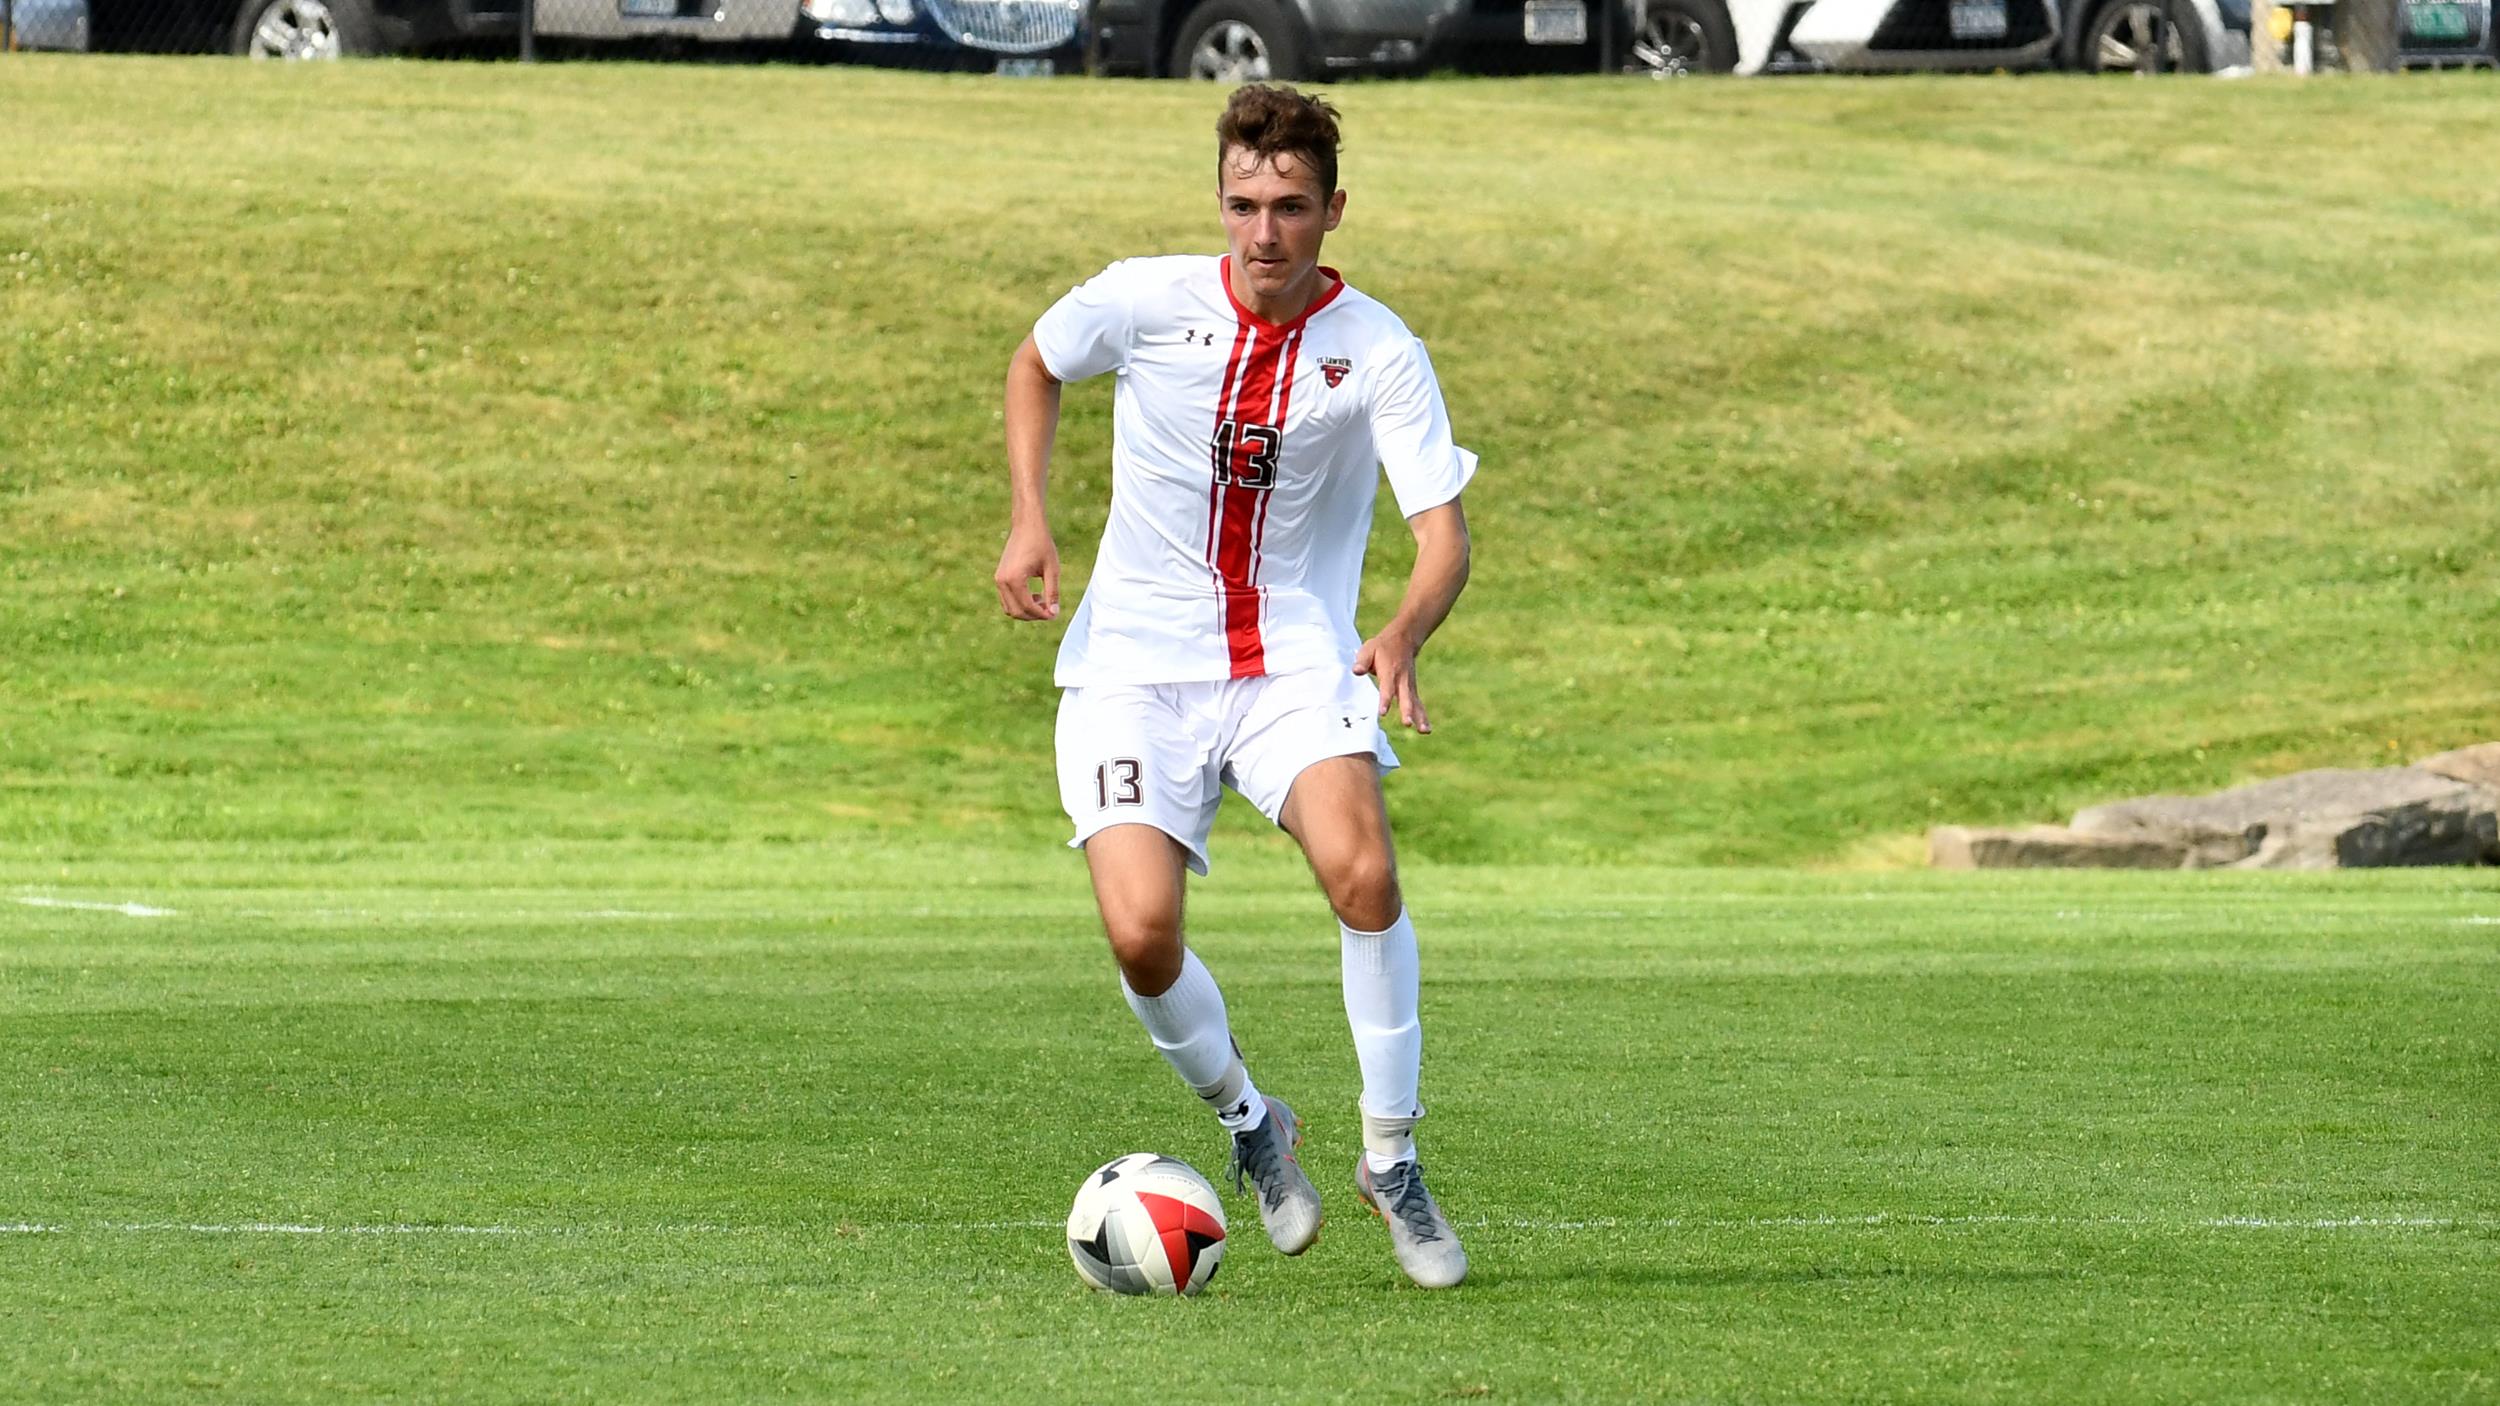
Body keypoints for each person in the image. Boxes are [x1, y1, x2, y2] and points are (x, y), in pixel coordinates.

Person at [992, 83, 1476, 1290]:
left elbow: (1443, 535)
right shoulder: (1146, 300)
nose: (1265, 232)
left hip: (1293, 662)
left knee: (1365, 872)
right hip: (1131, 667)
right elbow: (1036, 361)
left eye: (1291, 207)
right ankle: (1253, 1123)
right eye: (1243, 204)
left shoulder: (1378, 349)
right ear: (1220, 201)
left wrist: (1402, 628)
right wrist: (1029, 517)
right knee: (1140, 933)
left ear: (1332, 211)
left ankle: (1391, 1156)